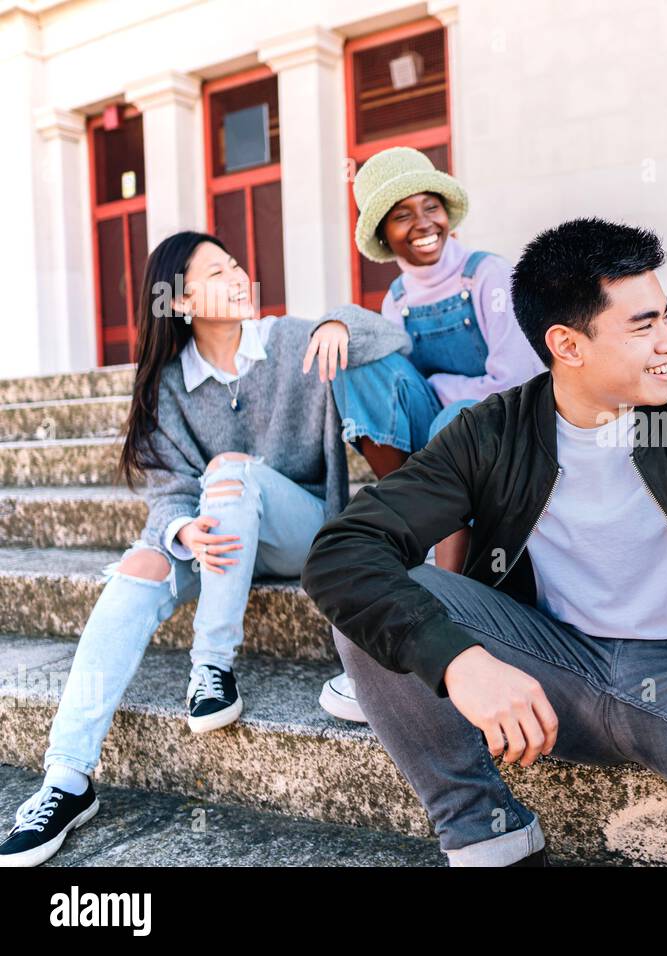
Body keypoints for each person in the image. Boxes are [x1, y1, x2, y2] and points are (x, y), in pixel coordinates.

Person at [301, 218, 667, 866]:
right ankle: (487, 833)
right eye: (644, 325)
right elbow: (342, 550)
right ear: (568, 344)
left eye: (666, 317)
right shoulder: (492, 433)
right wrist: (459, 661)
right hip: (553, 663)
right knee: (380, 600)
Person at [0, 231, 409, 868]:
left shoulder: (287, 340)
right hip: (218, 539)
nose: (239, 274)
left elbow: (393, 339)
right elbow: (168, 493)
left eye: (237, 263)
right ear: (182, 301)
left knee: (232, 470)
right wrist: (180, 532)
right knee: (140, 562)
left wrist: (337, 323)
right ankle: (65, 780)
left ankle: (211, 666)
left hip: (302, 534)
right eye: (217, 272)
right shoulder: (168, 384)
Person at [318, 146, 543, 724]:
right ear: (384, 234)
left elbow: (516, 379)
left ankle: (446, 605)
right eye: (402, 215)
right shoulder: (394, 299)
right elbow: (393, 385)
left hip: (500, 441)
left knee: (453, 424)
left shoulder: (487, 275)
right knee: (357, 361)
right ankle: (406, 527)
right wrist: (340, 322)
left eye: (431, 206)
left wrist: (442, 388)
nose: (423, 225)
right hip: (440, 451)